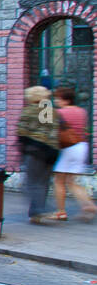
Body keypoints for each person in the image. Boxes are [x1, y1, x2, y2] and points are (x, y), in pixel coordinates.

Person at [47, 86, 96, 223]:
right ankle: (89, 205)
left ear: (66, 100)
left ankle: (61, 212)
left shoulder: (60, 113)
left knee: (59, 180)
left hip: (67, 147)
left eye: (58, 98)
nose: (56, 101)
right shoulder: (82, 111)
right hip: (81, 146)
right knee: (71, 181)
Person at [17, 85, 59, 224]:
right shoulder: (51, 111)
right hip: (52, 151)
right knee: (44, 182)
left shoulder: (29, 111)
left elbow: (21, 132)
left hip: (35, 150)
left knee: (32, 182)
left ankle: (41, 209)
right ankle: (36, 214)